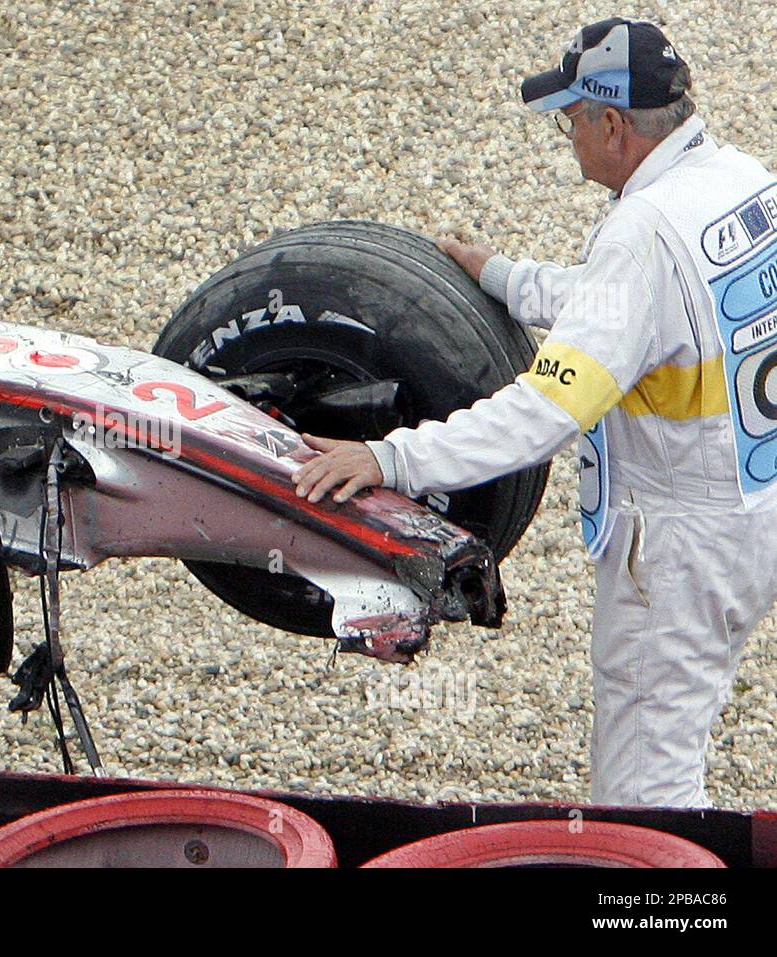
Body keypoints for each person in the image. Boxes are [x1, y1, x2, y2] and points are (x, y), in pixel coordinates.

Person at [293, 17, 777, 807]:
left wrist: (389, 458)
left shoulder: (643, 234)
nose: (568, 136)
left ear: (614, 124)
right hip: (752, 512)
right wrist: (510, 279)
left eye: (572, 119)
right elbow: (639, 318)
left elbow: (544, 410)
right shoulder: (742, 184)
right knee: (681, 737)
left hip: (678, 554)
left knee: (643, 792)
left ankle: (666, 914)